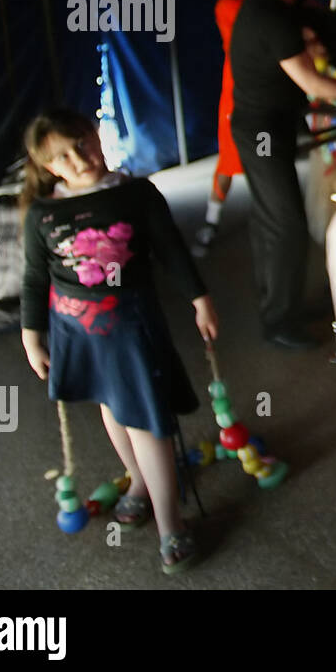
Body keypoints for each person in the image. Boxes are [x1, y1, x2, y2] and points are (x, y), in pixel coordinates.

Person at [19, 108, 219, 574]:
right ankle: (140, 485)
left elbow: (171, 250)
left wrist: (200, 299)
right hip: (77, 332)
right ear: (49, 168)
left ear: (95, 132)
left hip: (130, 326)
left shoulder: (137, 193)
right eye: (63, 157)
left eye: (81, 143)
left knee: (146, 417)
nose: (78, 158)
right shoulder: (42, 214)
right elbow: (33, 278)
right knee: (111, 406)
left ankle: (172, 524)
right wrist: (33, 338)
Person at [228, 0, 336, 349]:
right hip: (261, 131)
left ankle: (284, 305)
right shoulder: (273, 17)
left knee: (273, 222)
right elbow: (312, 81)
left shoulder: (272, 2)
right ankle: (278, 323)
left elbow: (317, 21)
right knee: (285, 224)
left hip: (269, 125)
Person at [193, 0, 269, 257]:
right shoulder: (231, 2)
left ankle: (268, 220)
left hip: (260, 89)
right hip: (237, 91)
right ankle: (212, 221)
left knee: (264, 158)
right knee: (229, 158)